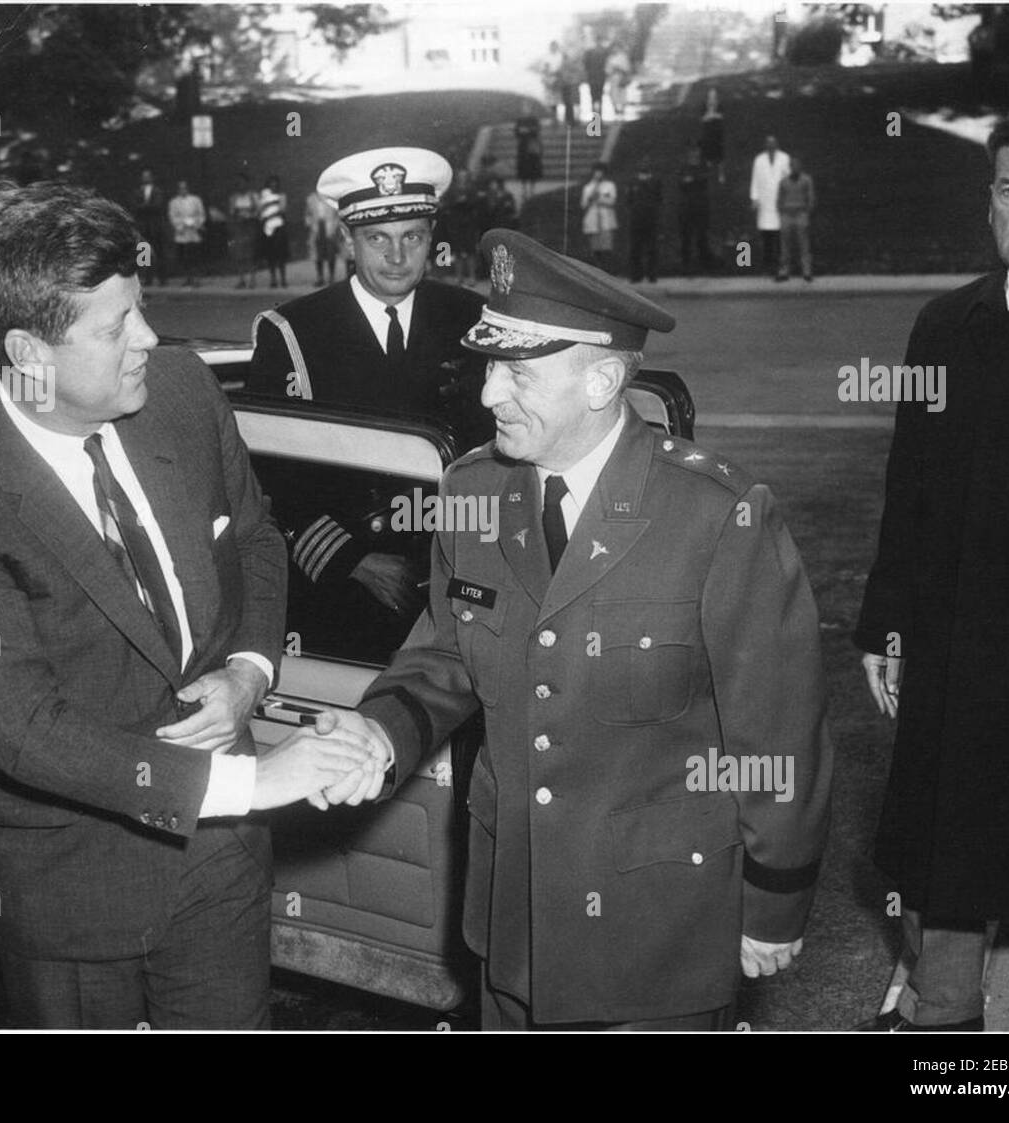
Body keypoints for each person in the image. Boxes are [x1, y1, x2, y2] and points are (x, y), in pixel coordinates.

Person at [300, 228, 833, 1030]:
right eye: (489, 366)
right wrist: (382, 732)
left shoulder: (715, 516)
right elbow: (445, 648)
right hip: (514, 920)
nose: (487, 395)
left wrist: (774, 900)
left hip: (658, 934)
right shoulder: (474, 489)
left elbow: (776, 732)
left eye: (517, 371)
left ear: (603, 379)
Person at [0, 180, 373, 1029]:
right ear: (29, 352)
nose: (149, 338)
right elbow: (28, 734)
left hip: (218, 870)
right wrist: (254, 783)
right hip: (74, 896)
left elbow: (256, 538)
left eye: (139, 309)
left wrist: (249, 674)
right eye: (115, 327)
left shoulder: (180, 392)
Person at [854, 97, 1009, 1034]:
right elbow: (909, 490)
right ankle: (937, 1011)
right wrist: (886, 625)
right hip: (956, 634)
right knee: (940, 824)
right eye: (1008, 191)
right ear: (988, 201)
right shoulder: (944, 326)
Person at [246, 147, 488, 620]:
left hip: (460, 568)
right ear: (345, 240)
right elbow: (267, 476)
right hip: (344, 582)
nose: (397, 257)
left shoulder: (472, 319)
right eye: (377, 237)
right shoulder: (293, 332)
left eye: (412, 237)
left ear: (431, 236)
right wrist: (353, 561)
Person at [749, 135, 790, 277]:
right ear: (765, 145)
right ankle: (767, 266)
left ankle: (781, 265)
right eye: (768, 143)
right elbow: (754, 179)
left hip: (780, 202)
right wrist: (754, 198)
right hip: (765, 202)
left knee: (779, 236)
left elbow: (788, 179)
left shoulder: (785, 158)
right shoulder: (759, 160)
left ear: (777, 144)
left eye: (773, 142)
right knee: (766, 236)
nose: (771, 145)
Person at [775, 155, 815, 282]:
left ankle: (806, 271)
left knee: (804, 244)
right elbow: (779, 199)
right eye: (793, 165)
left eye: (797, 165)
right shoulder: (783, 182)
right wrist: (781, 214)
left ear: (800, 167)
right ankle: (784, 271)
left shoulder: (806, 180)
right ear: (790, 167)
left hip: (801, 214)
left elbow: (811, 197)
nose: (795, 168)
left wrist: (806, 213)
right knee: (785, 245)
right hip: (787, 215)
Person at [678, 143, 716, 273]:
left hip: (701, 207)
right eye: (692, 152)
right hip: (686, 208)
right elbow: (681, 183)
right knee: (686, 237)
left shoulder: (703, 168)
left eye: (697, 153)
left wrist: (692, 180)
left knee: (702, 236)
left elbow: (703, 180)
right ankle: (686, 265)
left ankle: (704, 265)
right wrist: (694, 180)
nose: (694, 155)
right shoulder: (684, 168)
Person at [625, 166, 662, 283]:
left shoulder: (654, 184)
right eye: (641, 174)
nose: (643, 176)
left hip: (651, 221)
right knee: (635, 249)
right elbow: (629, 201)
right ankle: (636, 275)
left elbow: (659, 200)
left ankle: (652, 275)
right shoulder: (633, 185)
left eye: (645, 174)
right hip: (636, 221)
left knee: (652, 249)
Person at [132, 168, 168, 287]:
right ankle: (147, 278)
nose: (146, 178)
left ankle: (162, 278)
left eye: (148, 176)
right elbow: (135, 207)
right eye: (144, 176)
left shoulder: (158, 191)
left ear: (152, 178)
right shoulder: (137, 191)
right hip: (143, 226)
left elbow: (158, 206)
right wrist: (147, 206)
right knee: (144, 252)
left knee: (159, 252)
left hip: (156, 226)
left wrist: (144, 206)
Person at [167, 179, 205, 288]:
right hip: (182, 233)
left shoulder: (195, 200)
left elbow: (201, 214)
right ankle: (187, 278)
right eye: (180, 188)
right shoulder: (173, 202)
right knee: (184, 258)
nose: (182, 190)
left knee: (194, 257)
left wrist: (195, 223)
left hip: (193, 231)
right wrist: (181, 225)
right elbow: (172, 216)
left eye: (184, 188)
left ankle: (196, 279)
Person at [580, 161, 617, 272]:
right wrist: (591, 198)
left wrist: (600, 198)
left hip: (606, 221)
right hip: (593, 221)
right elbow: (583, 204)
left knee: (606, 248)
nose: (598, 175)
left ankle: (607, 272)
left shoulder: (610, 186)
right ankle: (597, 272)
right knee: (596, 250)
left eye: (600, 172)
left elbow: (612, 201)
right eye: (596, 172)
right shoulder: (588, 187)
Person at [227, 172, 258, 289]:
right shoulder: (234, 197)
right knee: (239, 253)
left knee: (251, 253)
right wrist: (237, 215)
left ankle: (252, 279)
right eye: (238, 183)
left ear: (247, 183)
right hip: (239, 227)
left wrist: (250, 215)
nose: (240, 185)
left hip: (250, 226)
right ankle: (241, 279)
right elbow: (231, 212)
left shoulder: (252, 196)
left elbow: (257, 211)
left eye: (243, 182)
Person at [257, 175, 288, 289]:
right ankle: (273, 278)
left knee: (281, 254)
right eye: (271, 184)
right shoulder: (264, 197)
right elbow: (260, 212)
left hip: (279, 226)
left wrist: (270, 212)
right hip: (267, 227)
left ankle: (283, 278)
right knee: (271, 255)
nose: (273, 185)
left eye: (275, 183)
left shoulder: (281, 196)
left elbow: (282, 210)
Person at [304, 188, 340, 287]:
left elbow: (337, 215)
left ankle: (332, 277)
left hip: (329, 227)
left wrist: (334, 227)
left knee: (330, 253)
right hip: (317, 227)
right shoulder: (311, 198)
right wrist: (310, 225)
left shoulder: (332, 199)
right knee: (318, 254)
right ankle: (320, 277)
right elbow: (307, 214)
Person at [699, 87, 726, 185]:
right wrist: (713, 115)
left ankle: (721, 174)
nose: (712, 96)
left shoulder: (720, 104)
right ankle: (709, 173)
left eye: (714, 94)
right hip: (707, 132)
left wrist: (711, 116)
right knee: (707, 154)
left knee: (720, 156)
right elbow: (702, 118)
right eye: (710, 94)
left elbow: (721, 116)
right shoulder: (704, 105)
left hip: (717, 132)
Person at [514, 115, 544, 204]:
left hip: (532, 149)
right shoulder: (520, 120)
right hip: (523, 149)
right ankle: (524, 190)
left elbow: (537, 130)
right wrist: (525, 131)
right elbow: (516, 132)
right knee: (523, 169)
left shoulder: (534, 119)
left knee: (533, 169)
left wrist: (527, 131)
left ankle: (532, 189)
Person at [582, 32, 609, 122]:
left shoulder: (590, 52)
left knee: (594, 98)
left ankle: (595, 118)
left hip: (594, 77)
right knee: (598, 97)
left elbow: (585, 65)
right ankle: (598, 117)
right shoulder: (604, 51)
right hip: (599, 77)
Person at [605, 40, 632, 120]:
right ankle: (616, 108)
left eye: (616, 47)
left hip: (621, 76)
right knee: (613, 93)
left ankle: (622, 108)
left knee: (622, 93)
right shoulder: (610, 58)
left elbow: (627, 67)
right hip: (613, 77)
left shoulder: (623, 57)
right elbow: (607, 69)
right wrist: (611, 70)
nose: (615, 49)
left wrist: (620, 69)